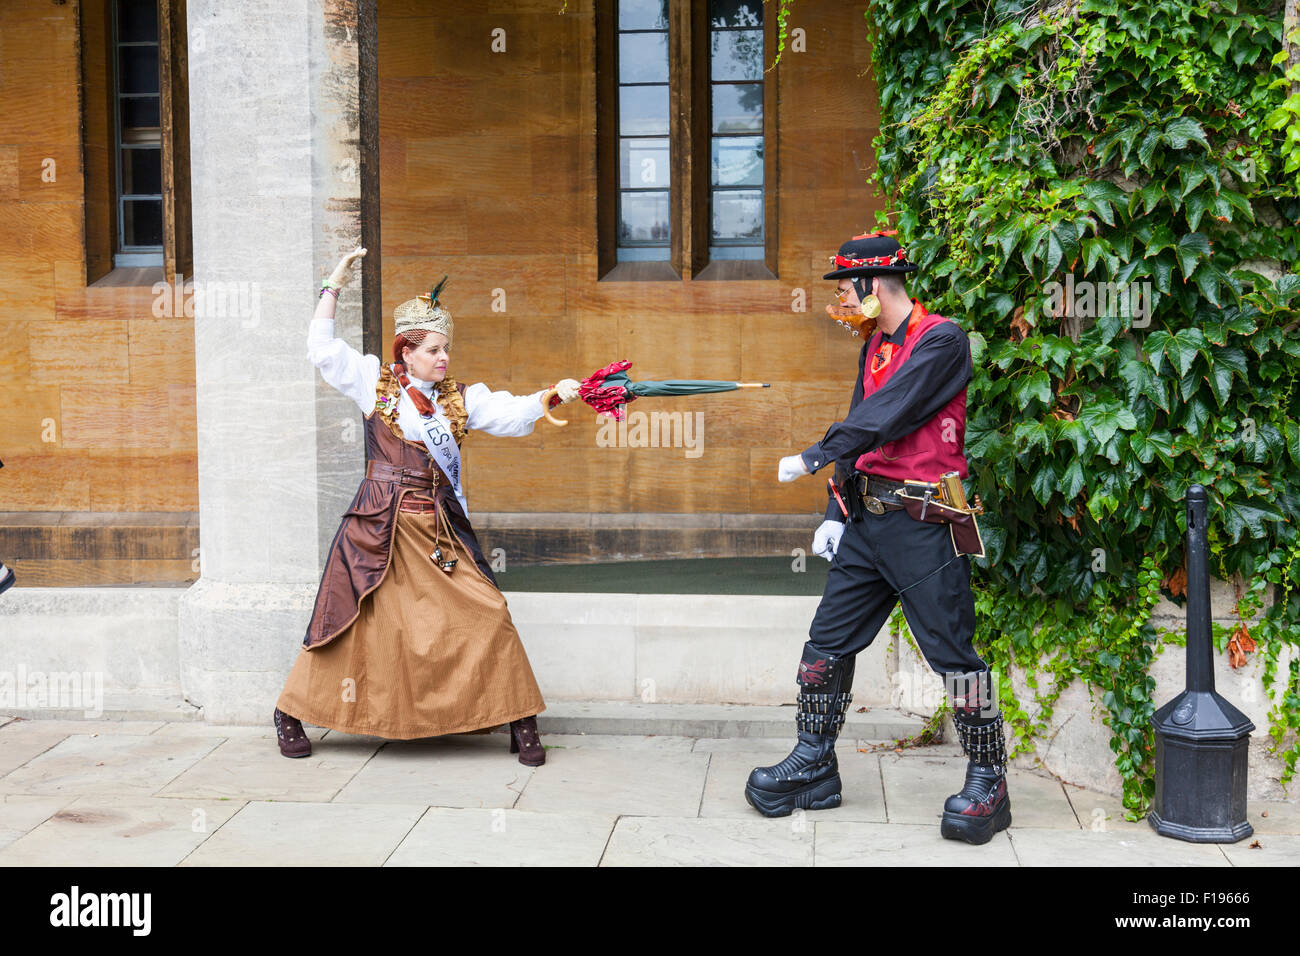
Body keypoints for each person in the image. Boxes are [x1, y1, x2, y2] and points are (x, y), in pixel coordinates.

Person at [743, 231, 1011, 845]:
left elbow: (890, 412)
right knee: (825, 646)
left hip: (923, 525)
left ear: (871, 283)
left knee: (953, 656)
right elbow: (862, 422)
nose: (840, 298)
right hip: (868, 522)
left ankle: (989, 779)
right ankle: (815, 763)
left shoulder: (942, 340)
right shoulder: (876, 346)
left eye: (844, 286)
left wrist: (813, 454)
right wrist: (835, 509)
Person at [273, 246, 581, 766]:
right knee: (351, 622)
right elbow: (322, 350)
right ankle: (290, 712)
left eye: (446, 350)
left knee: (488, 612)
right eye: (434, 350)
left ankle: (520, 717)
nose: (443, 358)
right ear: (406, 351)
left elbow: (513, 412)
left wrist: (556, 394)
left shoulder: (460, 397)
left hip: (438, 530)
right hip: (380, 527)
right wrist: (333, 285)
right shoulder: (375, 383)